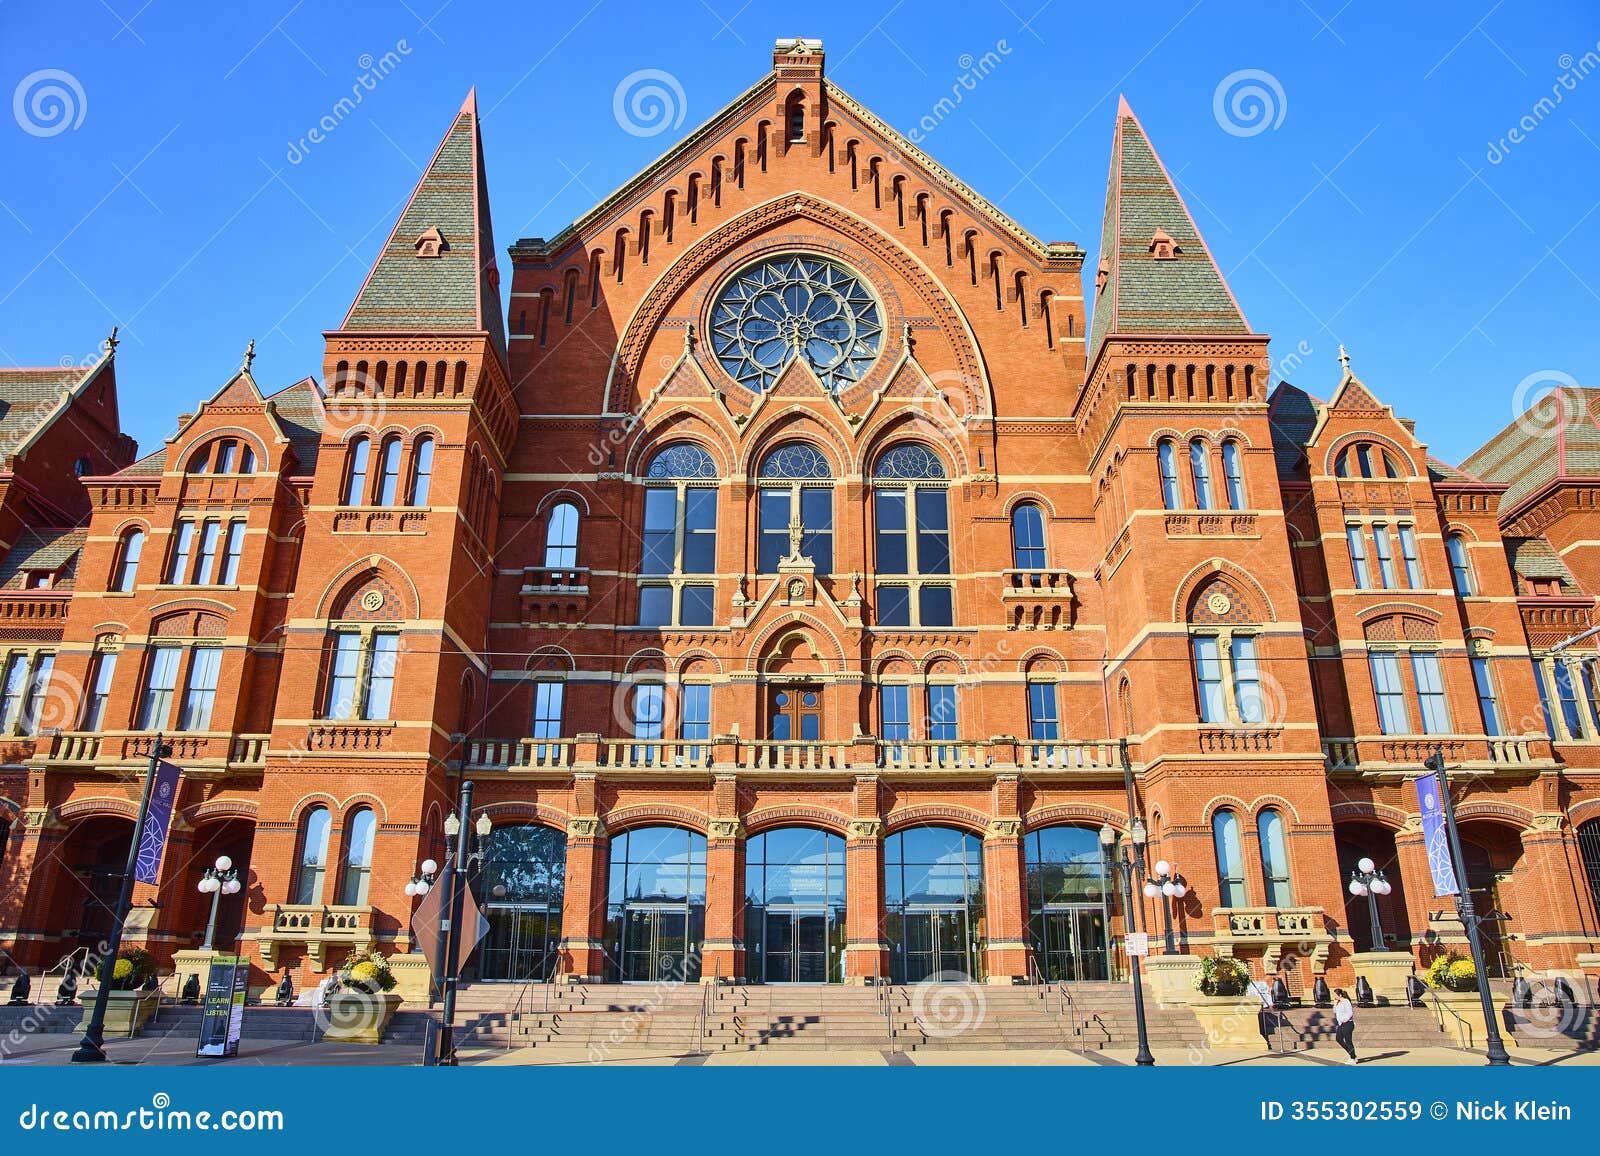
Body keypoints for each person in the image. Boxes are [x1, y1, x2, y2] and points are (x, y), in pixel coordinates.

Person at [1332, 988, 1358, 1064]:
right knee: (1338, 1039)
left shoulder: (1346, 1001)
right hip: (1341, 1024)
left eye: (1335, 995)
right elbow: (1335, 1011)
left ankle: (1353, 1058)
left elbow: (1350, 1012)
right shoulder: (1339, 1003)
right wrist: (1335, 1003)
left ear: (1340, 995)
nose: (1334, 996)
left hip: (1348, 1023)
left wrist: (1345, 1019)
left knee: (1348, 1041)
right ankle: (1352, 1054)